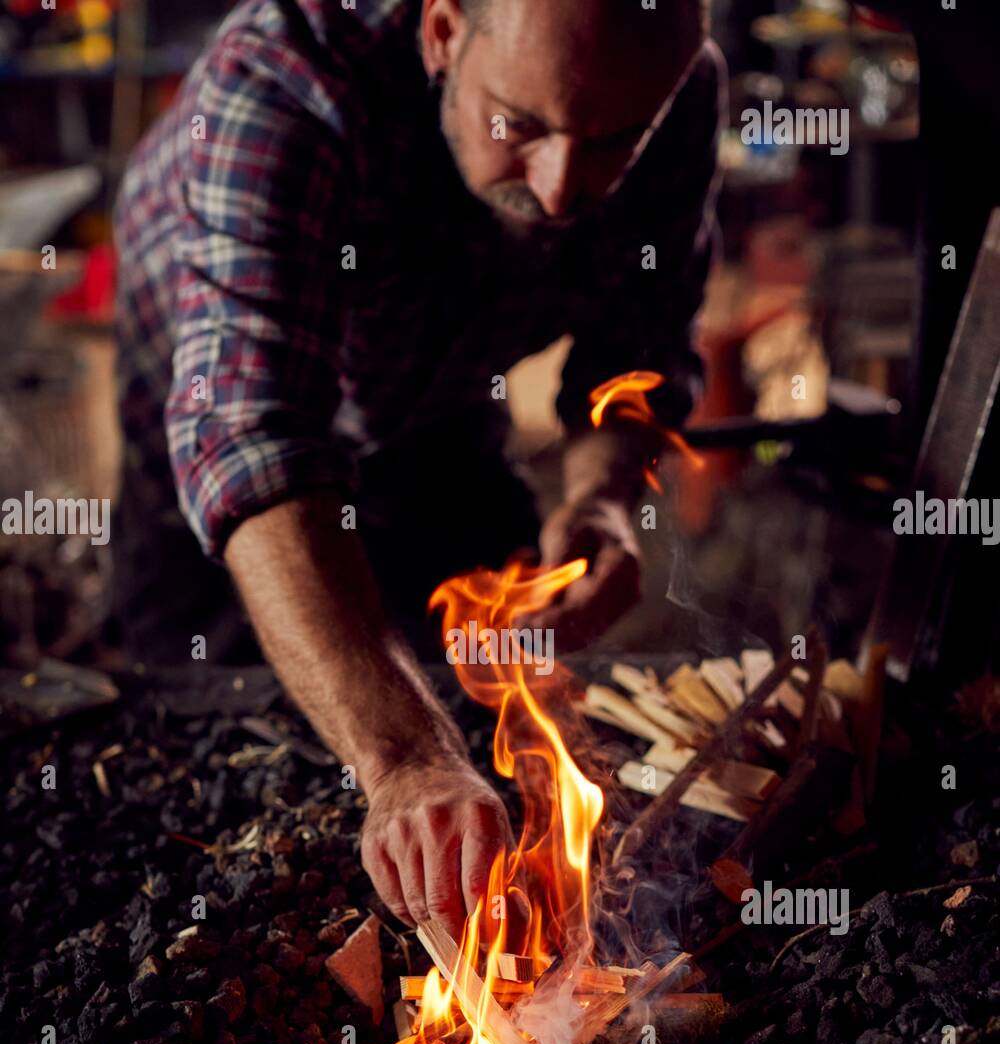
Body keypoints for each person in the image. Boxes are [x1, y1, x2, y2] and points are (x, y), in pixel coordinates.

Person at [113, 0, 724, 936]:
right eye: (520, 126)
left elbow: (637, 347)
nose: (561, 189)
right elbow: (252, 435)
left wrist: (600, 500)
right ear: (442, 32)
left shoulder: (669, 88)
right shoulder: (282, 82)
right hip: (214, 448)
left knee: (504, 713)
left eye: (613, 144)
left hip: (436, 419)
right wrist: (402, 757)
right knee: (215, 779)